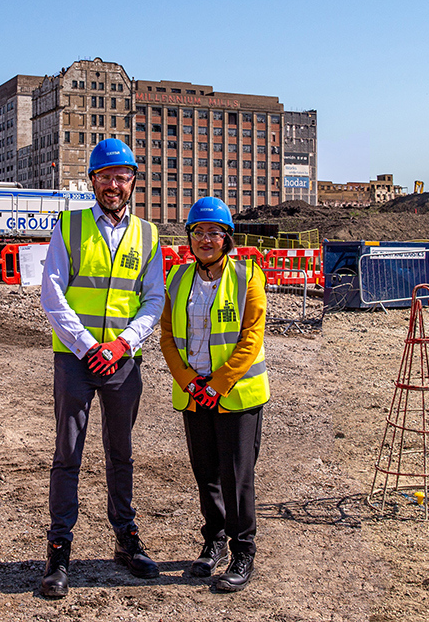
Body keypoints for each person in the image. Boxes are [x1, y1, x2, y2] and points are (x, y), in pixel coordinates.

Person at [38, 138, 165, 598]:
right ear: (92, 180)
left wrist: (124, 344)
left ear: (133, 180)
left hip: (123, 362)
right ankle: (59, 549)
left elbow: (153, 299)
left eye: (122, 176)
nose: (114, 184)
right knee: (67, 454)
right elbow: (52, 292)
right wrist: (91, 345)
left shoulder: (148, 236)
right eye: (105, 176)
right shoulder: (69, 226)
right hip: (75, 359)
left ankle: (126, 539)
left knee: (121, 453)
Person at [160, 196, 269, 592]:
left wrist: (218, 385)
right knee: (205, 473)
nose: (206, 239)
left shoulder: (248, 277)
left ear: (228, 238)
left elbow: (251, 337)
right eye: (199, 232)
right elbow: (168, 337)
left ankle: (243, 551)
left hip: (236, 396)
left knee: (236, 476)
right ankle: (215, 542)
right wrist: (190, 381)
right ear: (190, 237)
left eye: (215, 233)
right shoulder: (177, 279)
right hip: (194, 394)